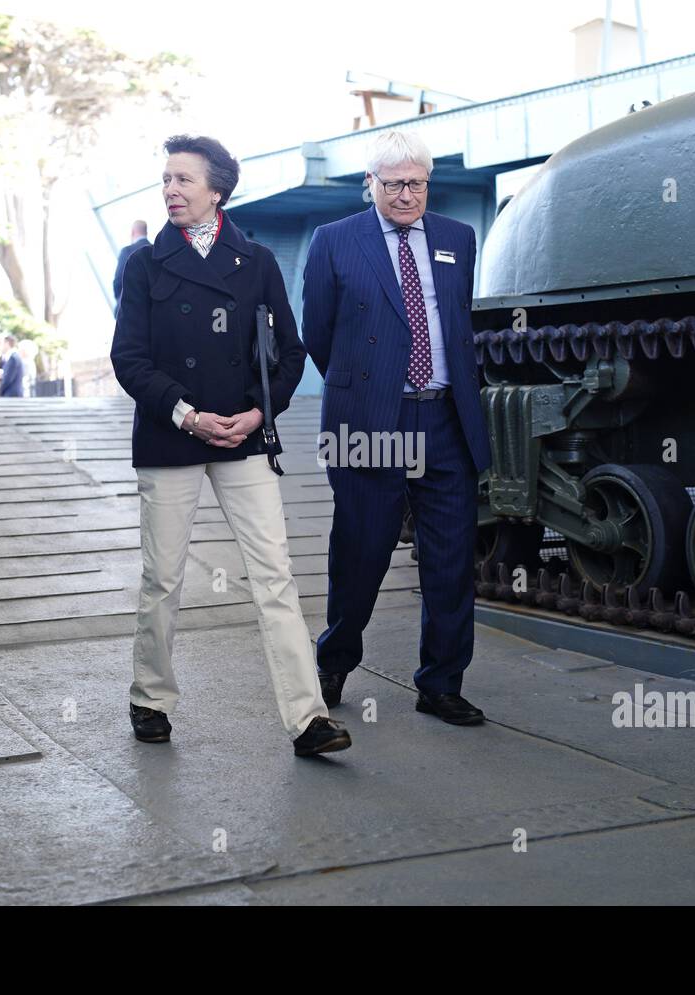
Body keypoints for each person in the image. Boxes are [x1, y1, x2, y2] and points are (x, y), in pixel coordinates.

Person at [110, 134, 350, 758]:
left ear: (216, 190)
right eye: (165, 179)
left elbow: (291, 353)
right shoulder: (144, 264)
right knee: (163, 578)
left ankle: (307, 719)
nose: (170, 190)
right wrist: (188, 414)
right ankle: (151, 697)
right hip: (172, 434)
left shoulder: (258, 261)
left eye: (183, 180)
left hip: (244, 435)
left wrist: (255, 414)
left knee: (275, 576)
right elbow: (128, 359)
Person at [301, 130, 493, 725]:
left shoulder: (458, 239)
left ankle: (441, 683)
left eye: (417, 184)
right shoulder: (334, 241)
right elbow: (317, 333)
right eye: (395, 184)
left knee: (451, 559)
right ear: (371, 184)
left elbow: (461, 326)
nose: (408, 195)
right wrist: (371, 386)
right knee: (361, 549)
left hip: (445, 419)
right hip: (371, 419)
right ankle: (333, 662)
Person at [112, 219, 149, 312]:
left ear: (132, 232)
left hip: (135, 307)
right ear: (146, 232)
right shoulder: (156, 249)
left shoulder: (127, 251)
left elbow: (118, 281)